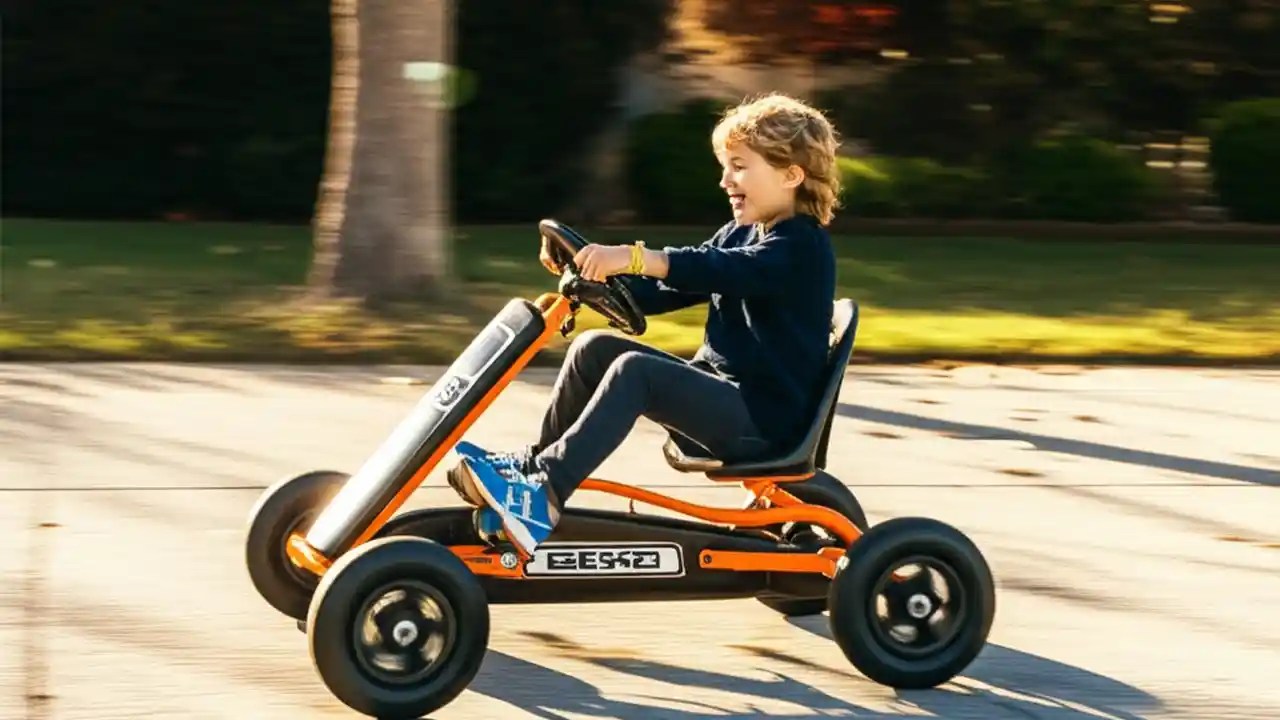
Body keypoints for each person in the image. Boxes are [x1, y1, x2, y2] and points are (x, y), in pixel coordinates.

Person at [446, 92, 844, 557]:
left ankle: (546, 492)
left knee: (637, 372)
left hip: (763, 422)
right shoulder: (741, 232)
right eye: (725, 166)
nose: (725, 180)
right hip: (723, 399)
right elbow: (668, 291)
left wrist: (633, 256)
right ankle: (534, 469)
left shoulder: (801, 247)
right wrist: (591, 273)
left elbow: (718, 270)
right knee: (595, 348)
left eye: (739, 166)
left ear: (791, 175)